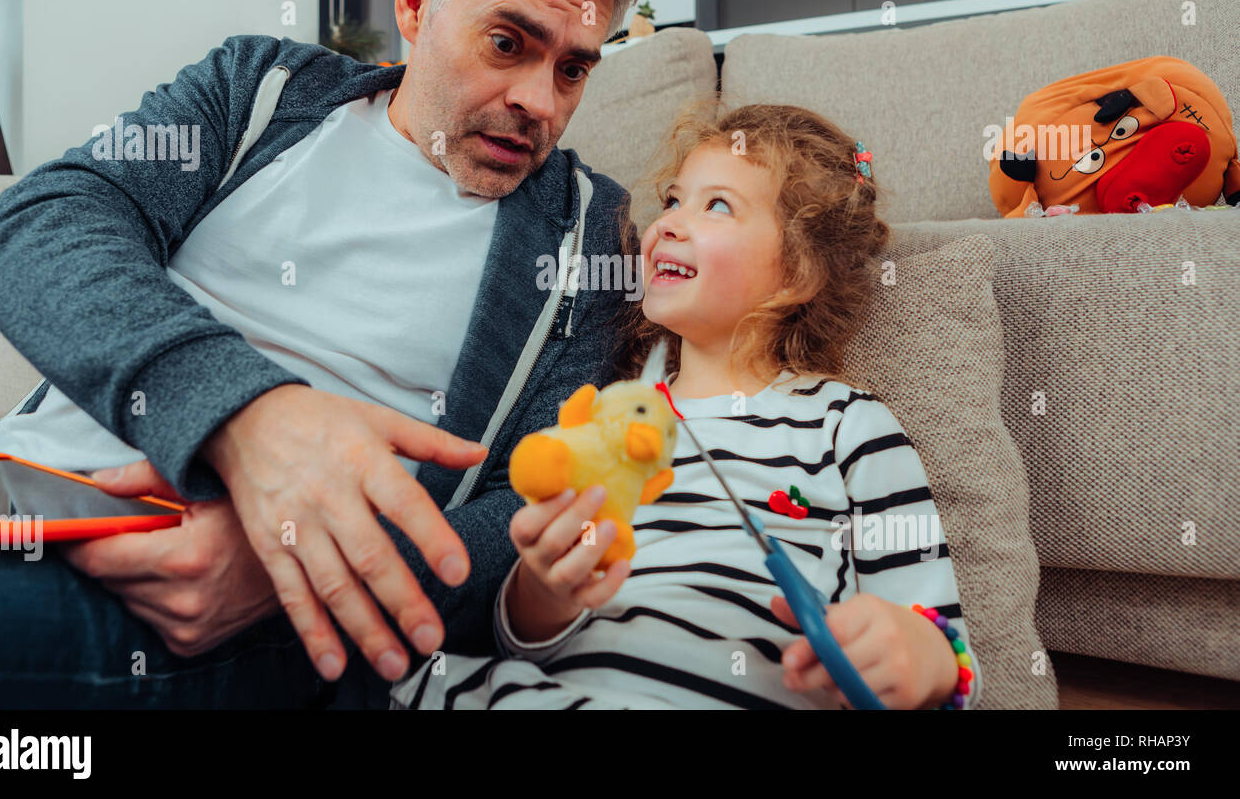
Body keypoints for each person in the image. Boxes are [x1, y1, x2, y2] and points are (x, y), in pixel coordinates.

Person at [0, 0, 643, 709]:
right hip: (14, 497)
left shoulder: (586, 235)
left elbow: (534, 500)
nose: (541, 99)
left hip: (222, 607)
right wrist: (246, 413)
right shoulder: (259, 90)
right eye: (508, 43)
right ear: (416, 3)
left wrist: (304, 561)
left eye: (572, 68)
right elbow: (39, 225)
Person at [390, 102, 983, 709]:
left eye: (717, 205)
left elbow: (942, 640)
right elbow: (521, 644)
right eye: (673, 201)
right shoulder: (608, 417)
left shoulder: (846, 425)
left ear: (797, 273)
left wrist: (923, 655)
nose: (668, 224)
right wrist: (546, 591)